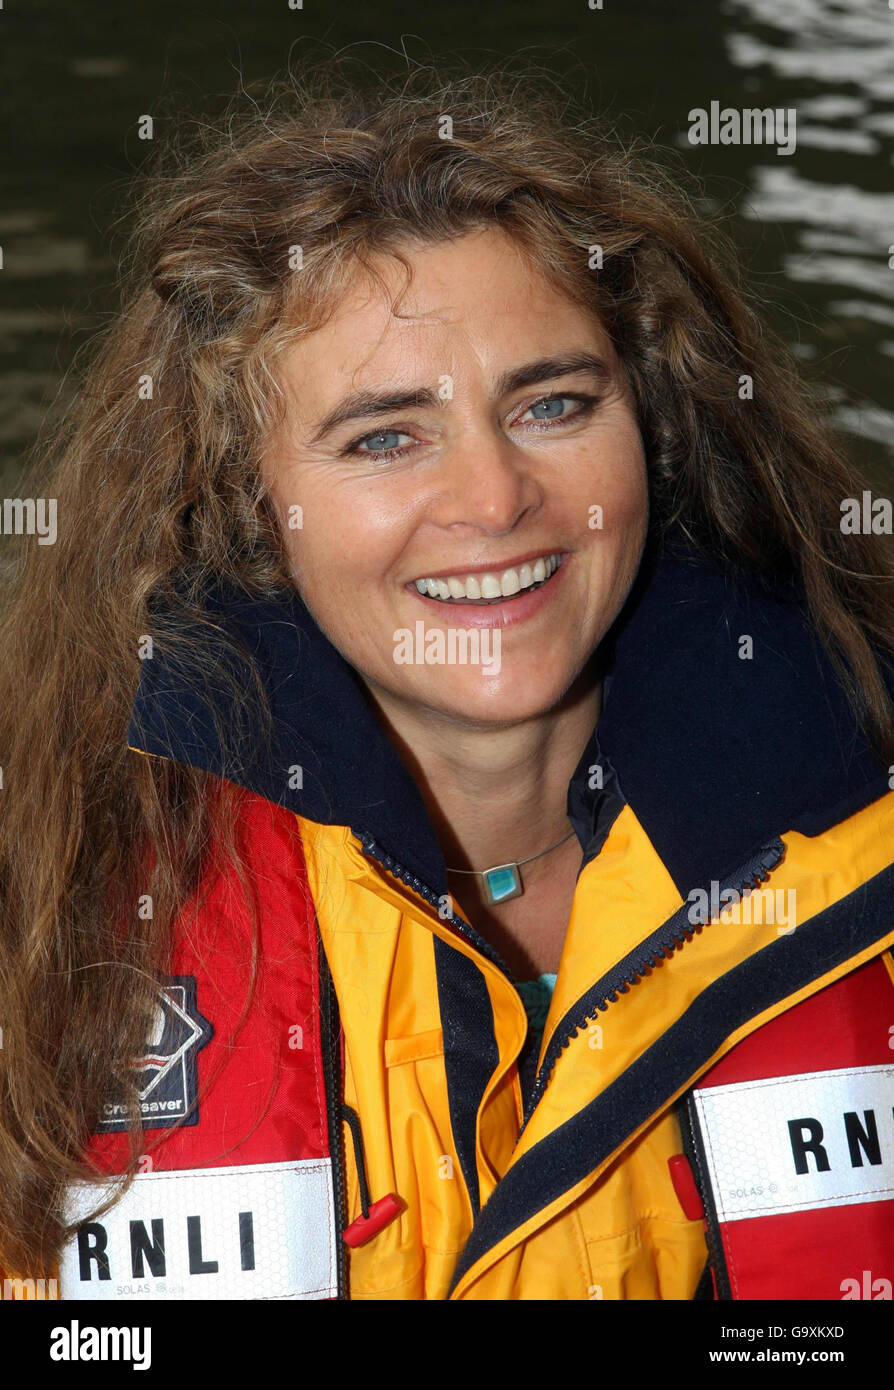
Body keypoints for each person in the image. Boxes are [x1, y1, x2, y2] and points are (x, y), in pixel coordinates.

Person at [2, 59, 894, 1303]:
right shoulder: (45, 901)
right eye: (384, 437)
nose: (493, 500)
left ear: (655, 431)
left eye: (554, 404)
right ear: (248, 503)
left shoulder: (866, 819)